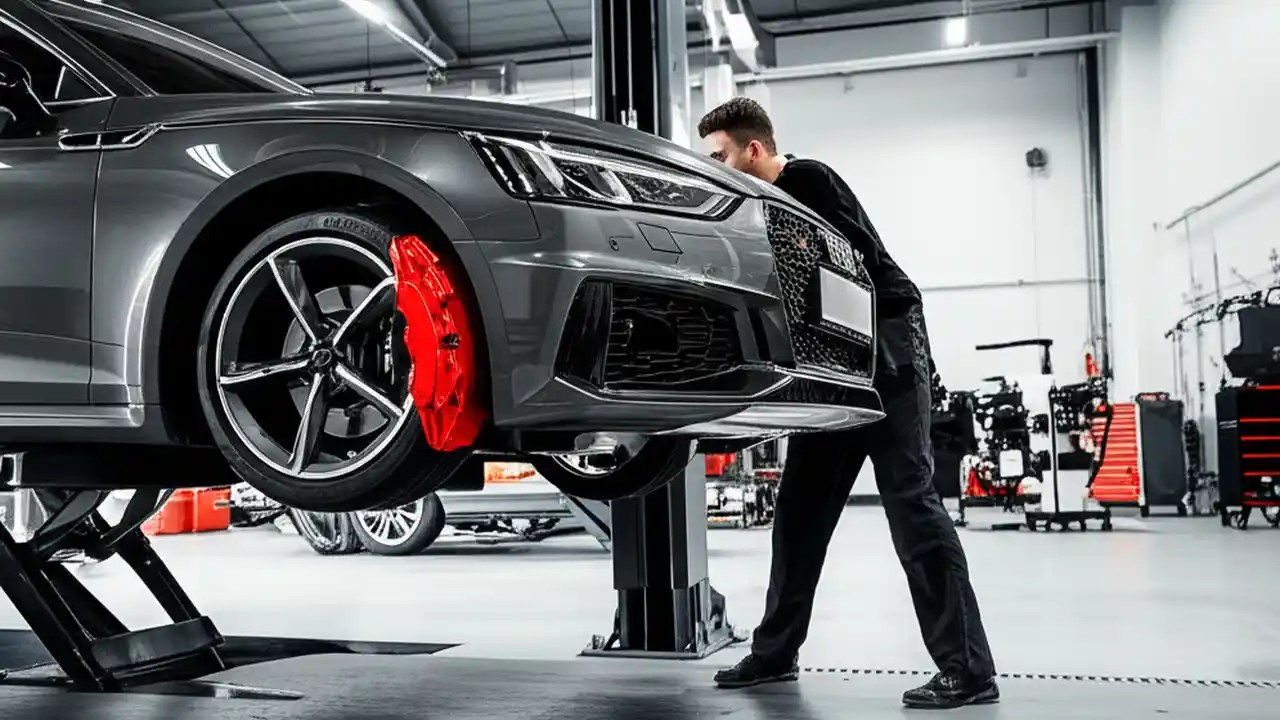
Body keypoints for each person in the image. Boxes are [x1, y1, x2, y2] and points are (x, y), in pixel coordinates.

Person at [698, 97, 998, 710]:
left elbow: (835, 270)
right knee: (801, 512)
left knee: (912, 504)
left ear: (754, 150)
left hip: (887, 351)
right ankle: (775, 653)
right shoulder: (762, 204)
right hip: (837, 368)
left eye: (721, 157)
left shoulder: (807, 181)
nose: (718, 170)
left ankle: (968, 668)